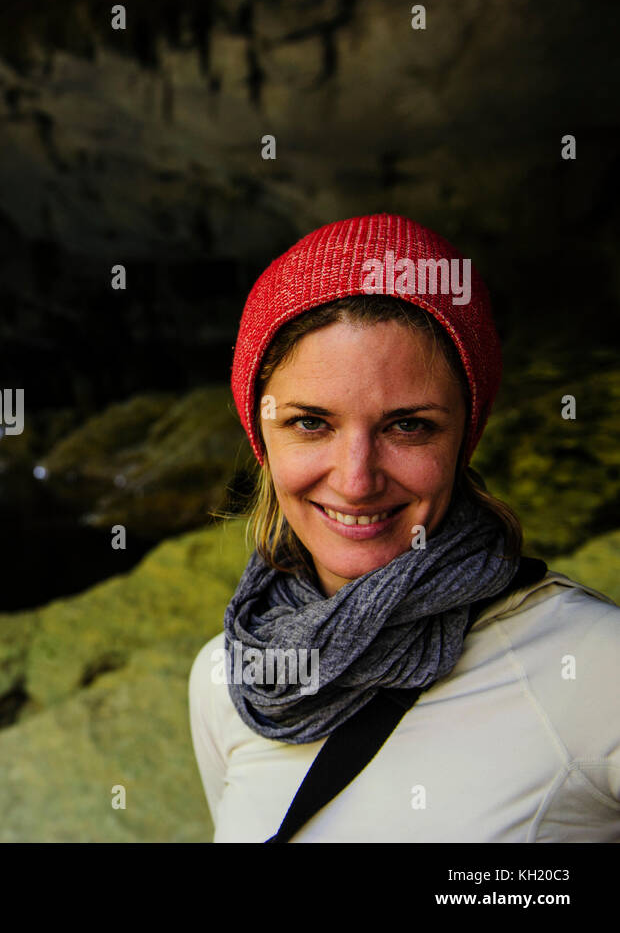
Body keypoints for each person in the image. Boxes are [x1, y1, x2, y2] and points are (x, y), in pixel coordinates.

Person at [188, 213, 620, 841]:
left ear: (464, 438)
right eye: (311, 423)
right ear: (261, 437)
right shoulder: (227, 679)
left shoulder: (592, 667)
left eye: (409, 425)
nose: (357, 480)